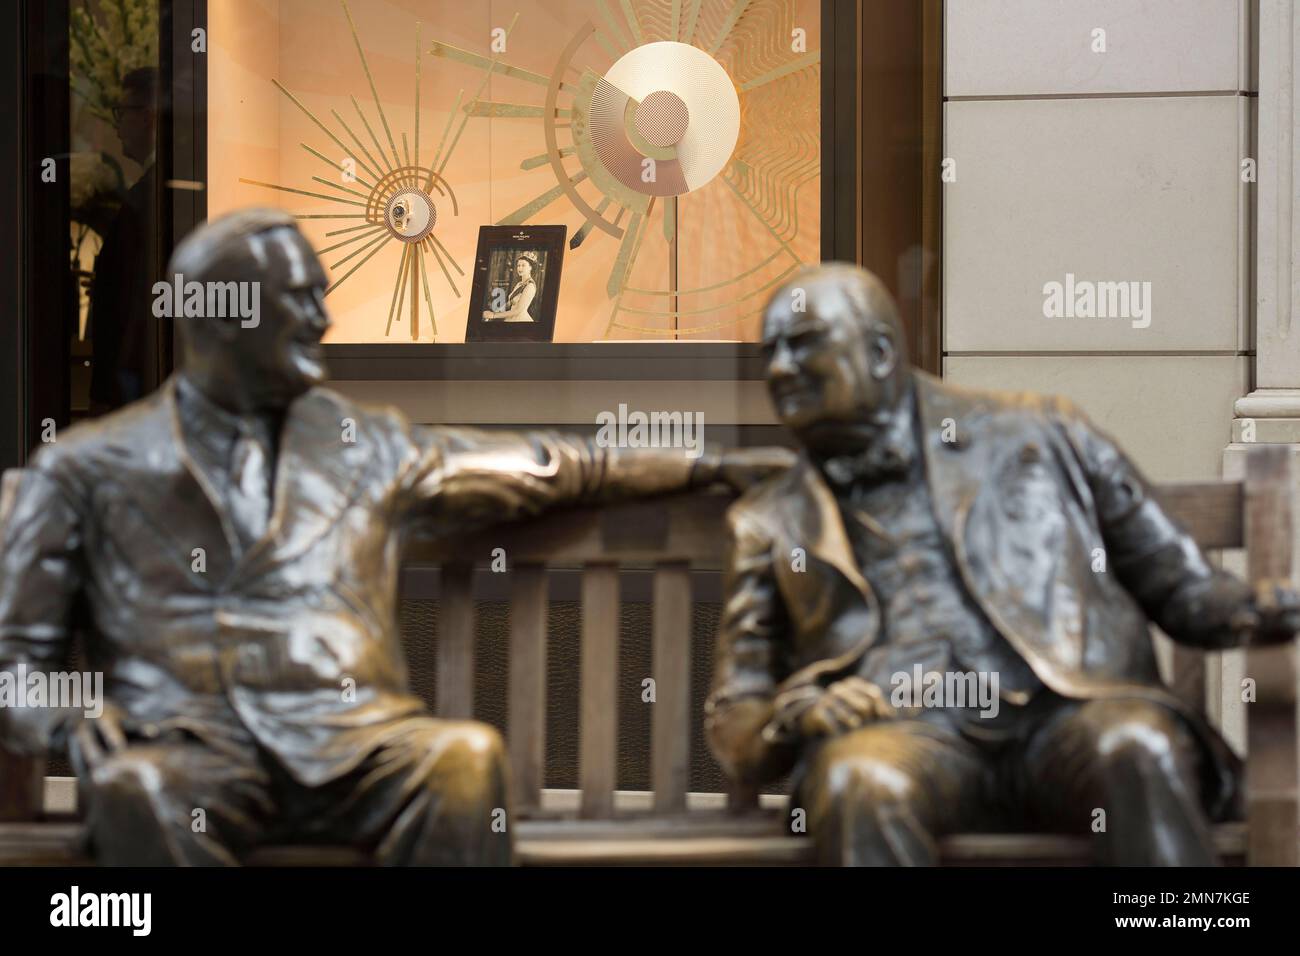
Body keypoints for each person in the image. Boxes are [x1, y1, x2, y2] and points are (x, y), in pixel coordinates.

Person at [0, 208, 787, 866]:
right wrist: (67, 720)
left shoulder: (369, 445)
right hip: (192, 749)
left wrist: (710, 462)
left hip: (357, 746)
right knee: (136, 789)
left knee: (463, 761)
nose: (324, 318)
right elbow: (15, 665)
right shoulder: (87, 467)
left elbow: (553, 466)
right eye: (301, 299)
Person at [705, 262, 1300, 866]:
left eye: (804, 344)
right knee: (858, 778)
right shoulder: (768, 519)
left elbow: (1176, 580)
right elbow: (737, 712)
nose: (780, 368)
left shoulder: (1040, 434)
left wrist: (1256, 608)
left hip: (1062, 719)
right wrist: (795, 716)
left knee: (1137, 742)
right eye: (770, 352)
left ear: (881, 353)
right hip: (909, 739)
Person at [87, 66, 160, 412]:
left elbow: (128, 306)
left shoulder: (147, 199)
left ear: (147, 117)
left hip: (136, 375)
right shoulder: (152, 194)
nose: (116, 126)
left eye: (122, 112)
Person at [482, 252, 539, 322]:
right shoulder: (519, 284)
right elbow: (509, 304)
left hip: (520, 320)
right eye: (518, 265)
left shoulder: (530, 286)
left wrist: (494, 315)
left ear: (530, 267)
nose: (520, 268)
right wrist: (494, 312)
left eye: (523, 265)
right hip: (510, 318)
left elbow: (517, 311)